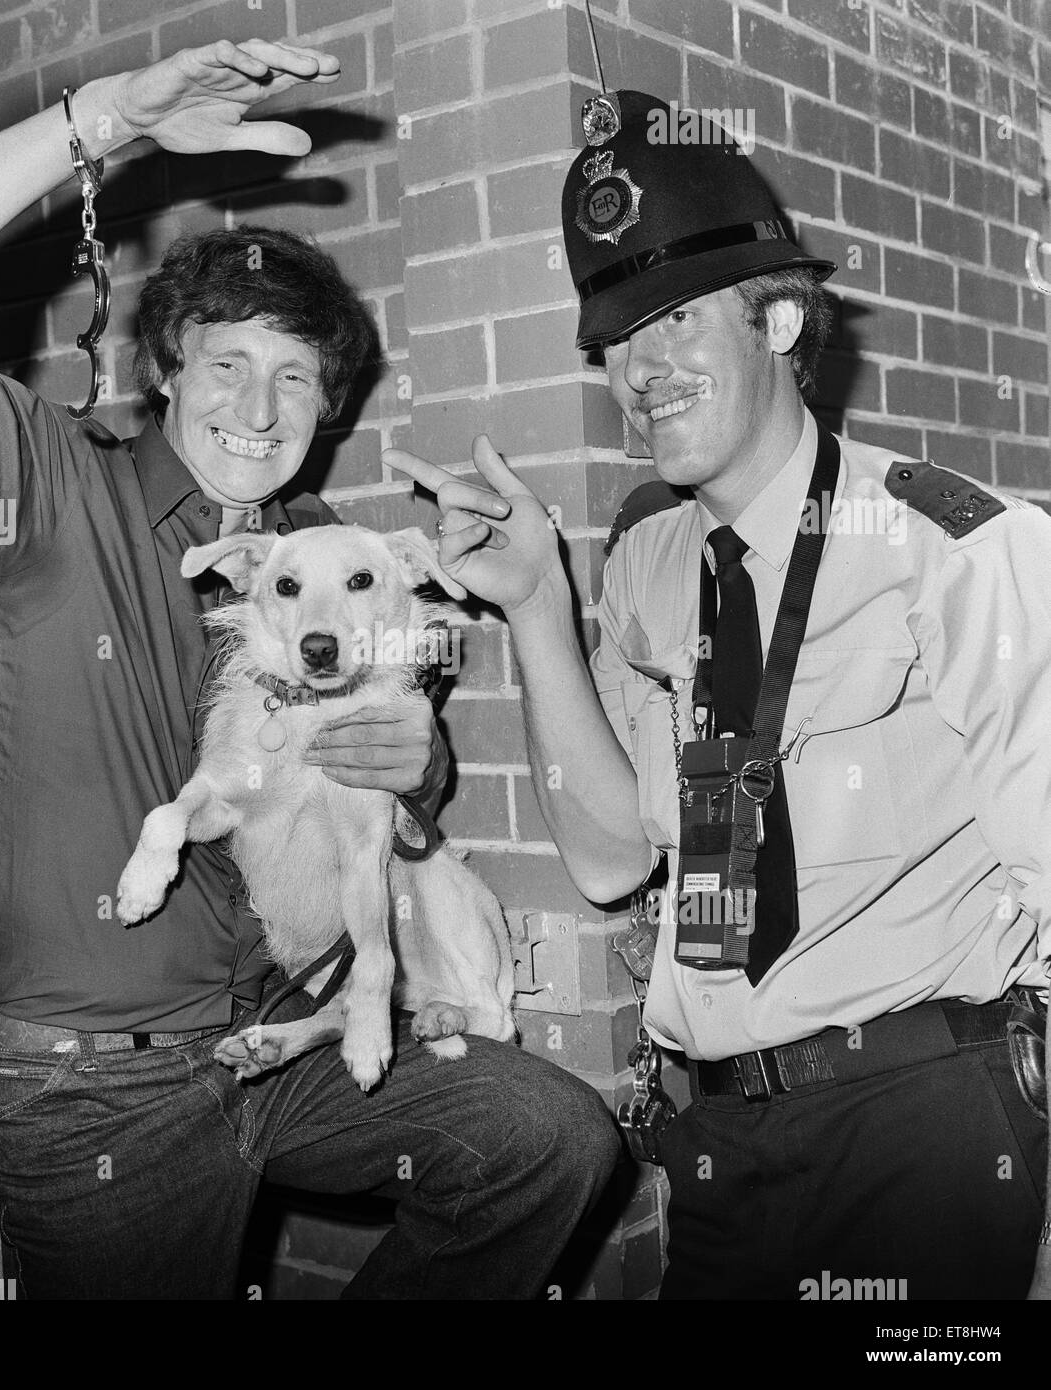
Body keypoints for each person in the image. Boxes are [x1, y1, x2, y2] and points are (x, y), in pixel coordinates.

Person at [0, 38, 621, 1300]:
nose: (261, 408)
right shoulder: (50, 489)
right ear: (169, 370)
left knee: (551, 1143)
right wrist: (101, 117)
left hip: (288, 1032)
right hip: (97, 1080)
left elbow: (375, 800)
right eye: (226, 363)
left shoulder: (325, 568)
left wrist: (421, 764)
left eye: (297, 379)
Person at [388, 88, 1051, 1301]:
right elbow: (605, 858)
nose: (641, 371)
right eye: (617, 341)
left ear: (784, 319)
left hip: (920, 1126)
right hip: (724, 1144)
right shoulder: (648, 565)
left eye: (680, 321)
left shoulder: (960, 550)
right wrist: (538, 602)